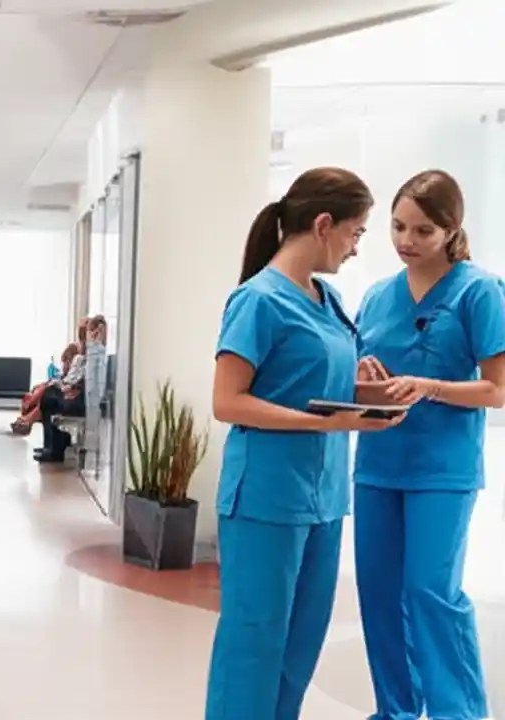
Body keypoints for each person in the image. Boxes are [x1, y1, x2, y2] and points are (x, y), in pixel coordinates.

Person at [204, 167, 406, 720]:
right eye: (356, 233)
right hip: (266, 499)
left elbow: (316, 381)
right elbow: (229, 401)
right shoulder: (257, 300)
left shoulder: (329, 297)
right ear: (323, 225)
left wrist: (364, 386)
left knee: (300, 646)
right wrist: (326, 423)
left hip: (323, 498)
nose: (357, 247)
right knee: (255, 642)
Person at [351, 170, 504, 720]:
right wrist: (363, 371)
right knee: (380, 596)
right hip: (376, 466)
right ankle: (394, 710)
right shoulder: (376, 296)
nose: (405, 241)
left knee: (430, 594)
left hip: (442, 470)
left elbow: (498, 389)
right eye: (396, 227)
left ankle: (457, 712)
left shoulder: (478, 292)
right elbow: (361, 366)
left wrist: (431, 387)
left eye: (421, 230)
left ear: (450, 231)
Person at [35, 316, 107, 463]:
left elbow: (92, 382)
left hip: (84, 402)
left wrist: (72, 388)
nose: (91, 335)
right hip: (81, 396)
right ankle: (53, 445)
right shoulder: (90, 353)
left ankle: (55, 447)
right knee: (48, 396)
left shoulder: (98, 353)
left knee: (48, 397)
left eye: (93, 331)